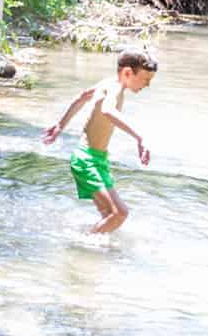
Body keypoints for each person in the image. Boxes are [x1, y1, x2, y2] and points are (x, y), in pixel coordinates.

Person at [40, 48, 157, 234]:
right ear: (128, 72)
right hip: (87, 160)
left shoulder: (108, 83)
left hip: (97, 159)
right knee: (119, 214)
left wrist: (60, 125)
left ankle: (97, 252)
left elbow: (82, 97)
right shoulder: (115, 87)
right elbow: (107, 110)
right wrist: (139, 137)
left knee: (110, 216)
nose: (148, 85)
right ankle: (82, 244)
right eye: (146, 79)